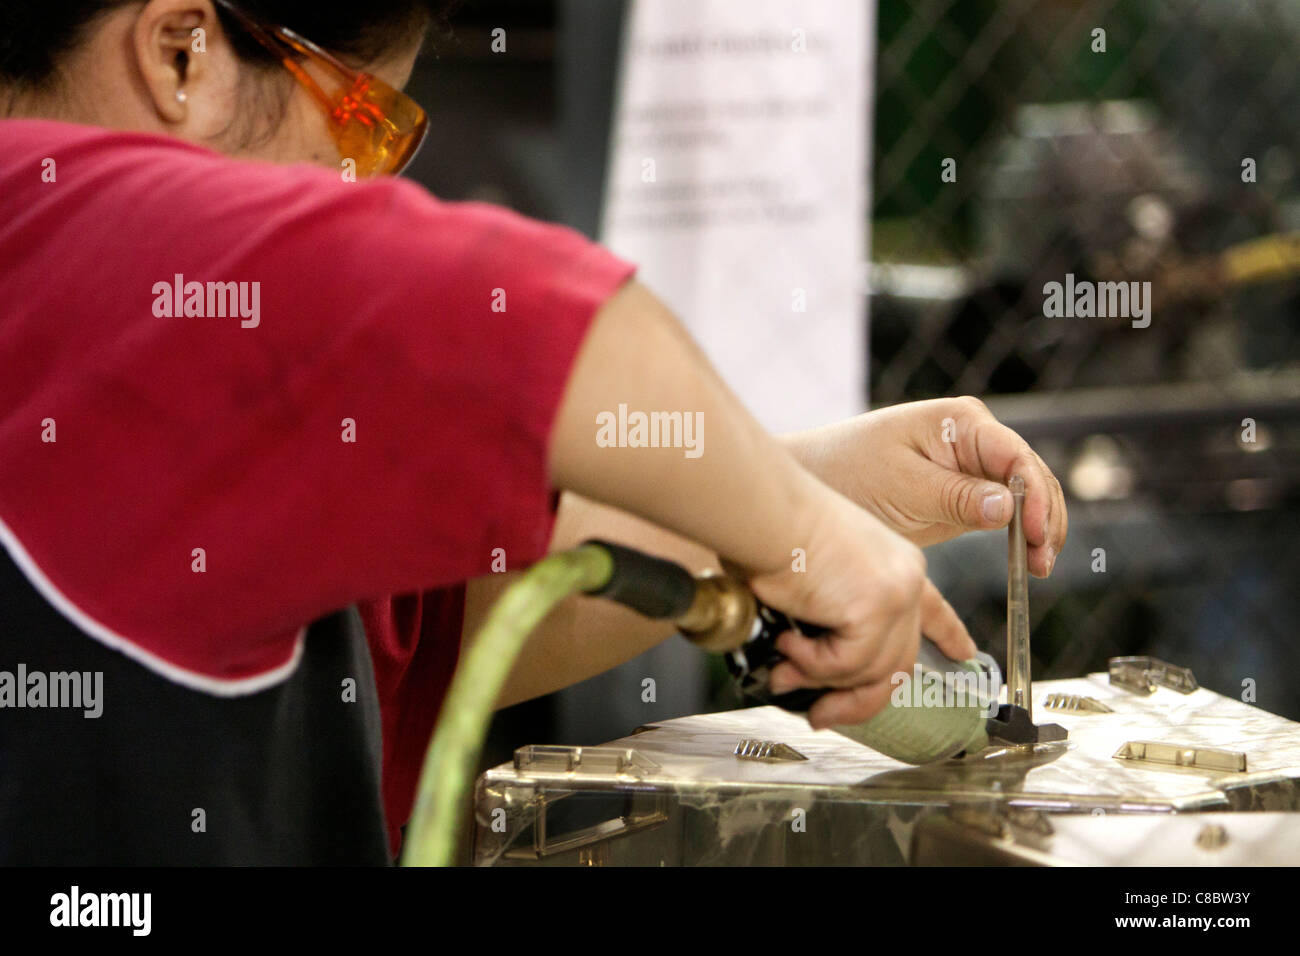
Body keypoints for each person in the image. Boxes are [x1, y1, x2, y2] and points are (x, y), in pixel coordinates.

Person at [0, 0, 1067, 864]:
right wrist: (806, 533)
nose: (370, 181)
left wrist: (805, 491)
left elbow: (431, 632)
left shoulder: (172, 401)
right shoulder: (37, 216)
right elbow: (516, 306)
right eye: (366, 120)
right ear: (181, 52)